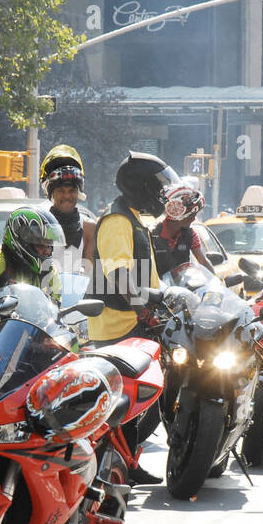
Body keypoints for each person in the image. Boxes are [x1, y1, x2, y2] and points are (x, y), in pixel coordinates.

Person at [86, 152, 180, 485]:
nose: (160, 194)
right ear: (140, 186)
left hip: (134, 323)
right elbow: (120, 275)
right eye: (156, 187)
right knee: (134, 403)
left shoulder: (133, 219)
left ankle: (126, 462)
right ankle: (106, 465)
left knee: (144, 403)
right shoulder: (116, 221)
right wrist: (146, 304)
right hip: (118, 326)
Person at [0, 205, 64, 302]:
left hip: (37, 316)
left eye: (48, 245)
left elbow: (56, 305)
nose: (46, 251)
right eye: (40, 245)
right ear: (22, 240)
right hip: (1, 316)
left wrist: (42, 300)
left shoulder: (50, 270)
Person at [40, 144, 97, 273]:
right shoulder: (39, 225)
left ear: (79, 192)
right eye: (60, 190)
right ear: (50, 193)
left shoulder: (89, 228)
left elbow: (89, 275)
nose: (67, 196)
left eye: (72, 190)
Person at [151, 184, 213, 274]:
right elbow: (143, 268)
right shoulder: (152, 235)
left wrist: (217, 283)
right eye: (191, 216)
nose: (193, 219)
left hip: (182, 287)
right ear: (177, 214)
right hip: (158, 287)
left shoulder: (191, 235)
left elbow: (203, 262)